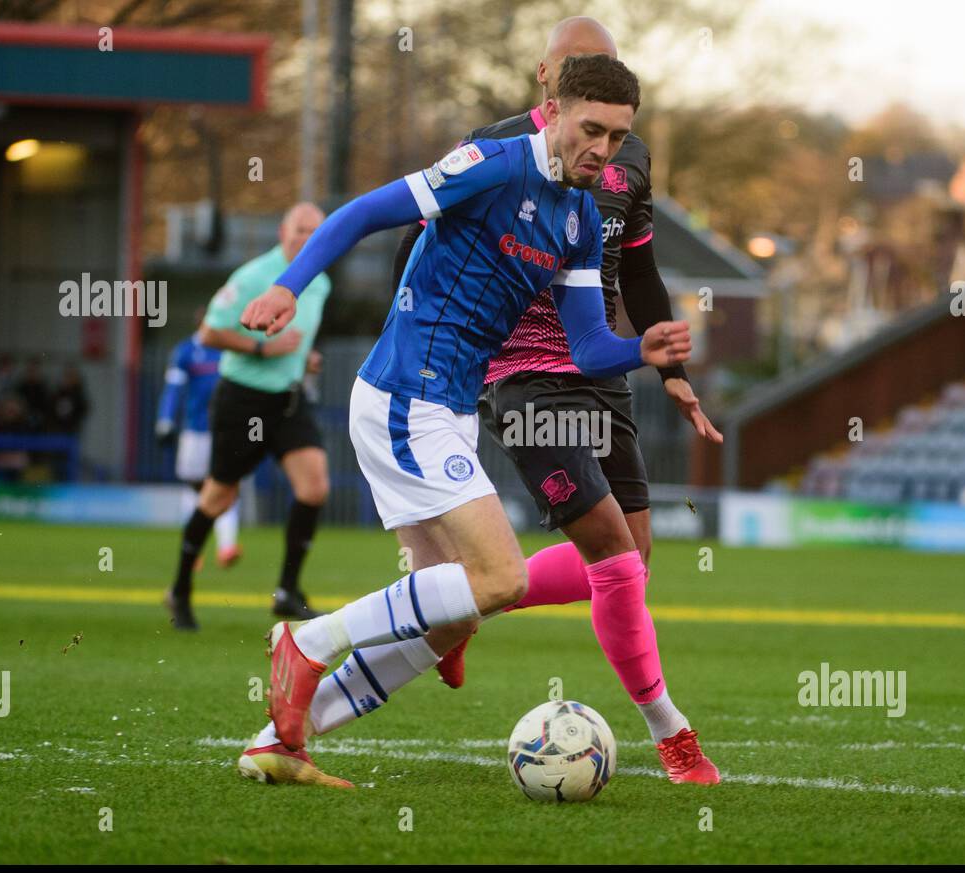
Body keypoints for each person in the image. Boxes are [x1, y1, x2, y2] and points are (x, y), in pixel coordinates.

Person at [235, 54, 692, 788]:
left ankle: (277, 741)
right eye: (591, 129)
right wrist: (291, 285)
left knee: (450, 617)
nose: (603, 151)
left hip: (446, 409)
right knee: (502, 578)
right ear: (553, 108)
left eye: (617, 137)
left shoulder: (578, 218)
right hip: (404, 397)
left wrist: (643, 348)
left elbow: (587, 347)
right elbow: (363, 213)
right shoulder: (488, 164)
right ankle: (308, 639)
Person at [388, 17, 722, 784]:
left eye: (605, 68)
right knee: (610, 549)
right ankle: (671, 730)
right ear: (547, 77)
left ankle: (463, 601)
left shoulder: (628, 158)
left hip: (600, 366)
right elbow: (419, 249)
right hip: (520, 372)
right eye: (578, 70)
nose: (594, 94)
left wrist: (668, 369)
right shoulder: (495, 146)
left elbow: (636, 269)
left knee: (631, 563)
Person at [162, 203, 331, 631]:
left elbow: (295, 339)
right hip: (243, 401)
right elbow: (209, 332)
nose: (307, 239)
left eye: (317, 231)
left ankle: (287, 592)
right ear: (282, 230)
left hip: (288, 402)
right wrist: (261, 348)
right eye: (300, 230)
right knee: (219, 497)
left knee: (314, 486)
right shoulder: (254, 276)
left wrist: (303, 359)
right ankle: (180, 589)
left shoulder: (321, 281)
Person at [156, 310, 242, 569]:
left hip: (227, 429)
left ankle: (227, 546)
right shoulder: (185, 352)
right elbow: (173, 390)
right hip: (195, 431)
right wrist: (165, 420)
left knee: (227, 486)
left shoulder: (230, 349)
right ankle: (194, 549)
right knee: (194, 488)